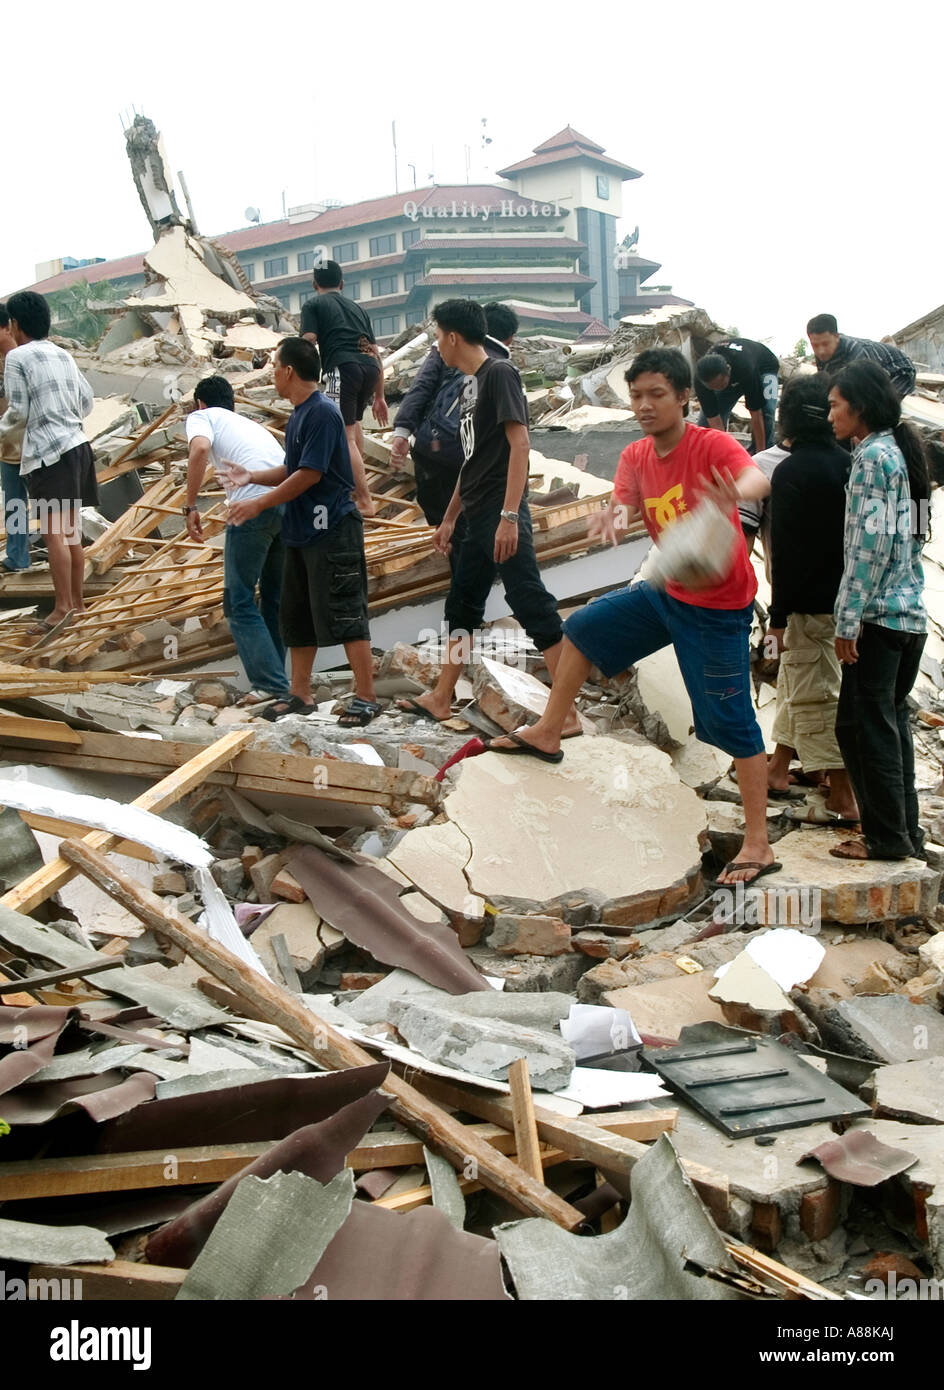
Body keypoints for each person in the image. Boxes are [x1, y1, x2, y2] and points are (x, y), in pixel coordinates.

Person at [489, 346, 776, 886]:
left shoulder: (711, 443)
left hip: (717, 609)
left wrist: (730, 493)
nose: (644, 405)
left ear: (685, 397)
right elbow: (622, 504)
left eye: (656, 395)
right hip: (666, 590)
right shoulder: (636, 456)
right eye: (637, 395)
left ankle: (757, 844)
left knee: (731, 723)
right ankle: (551, 730)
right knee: (583, 627)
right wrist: (611, 518)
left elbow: (758, 480)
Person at [396, 299, 576, 730]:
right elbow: (473, 459)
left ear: (453, 336)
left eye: (438, 337)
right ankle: (441, 696)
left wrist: (510, 516)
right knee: (462, 607)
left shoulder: (500, 373)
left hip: (500, 512)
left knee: (530, 602)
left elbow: (521, 446)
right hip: (476, 514)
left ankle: (567, 712)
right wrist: (451, 517)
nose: (437, 346)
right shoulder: (470, 384)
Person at [224, 337, 380, 727]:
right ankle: (300, 693)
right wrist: (253, 477)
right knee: (297, 616)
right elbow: (294, 468)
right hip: (300, 530)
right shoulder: (299, 415)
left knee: (346, 612)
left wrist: (259, 502)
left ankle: (366, 696)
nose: (272, 373)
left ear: (289, 371)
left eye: (275, 366)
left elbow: (310, 475)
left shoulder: (323, 413)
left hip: (332, 528)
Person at [827, 360, 929, 861]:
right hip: (908, 615)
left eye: (835, 405)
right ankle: (904, 833)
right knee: (883, 724)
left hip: (879, 618)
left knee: (868, 731)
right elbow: (910, 536)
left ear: (859, 407)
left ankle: (887, 839)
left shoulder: (871, 459)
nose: (829, 416)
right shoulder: (902, 454)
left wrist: (847, 621)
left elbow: (867, 547)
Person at [763, 374, 858, 824]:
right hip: (849, 604)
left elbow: (785, 551)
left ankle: (843, 795)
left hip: (809, 607)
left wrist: (777, 617)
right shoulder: (851, 464)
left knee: (818, 698)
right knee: (797, 686)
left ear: (790, 420)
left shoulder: (790, 471)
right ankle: (778, 769)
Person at [185, 375, 290, 706]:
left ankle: (270, 683)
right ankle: (279, 683)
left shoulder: (202, 417)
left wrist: (190, 505)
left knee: (239, 600)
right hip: (286, 502)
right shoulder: (247, 424)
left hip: (251, 505)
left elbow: (200, 447)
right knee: (273, 599)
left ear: (200, 403)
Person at [0, 291, 96, 631]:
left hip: (47, 454)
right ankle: (79, 605)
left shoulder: (17, 358)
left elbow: (19, 411)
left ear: (14, 324)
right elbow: (87, 402)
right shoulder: (63, 354)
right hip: (78, 447)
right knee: (71, 533)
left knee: (54, 535)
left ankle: (61, 609)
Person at [390, 301, 518, 534]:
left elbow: (421, 387)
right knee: (466, 533)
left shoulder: (447, 350)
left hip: (429, 453)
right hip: (469, 467)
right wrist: (511, 515)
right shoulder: (502, 368)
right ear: (510, 338)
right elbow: (517, 442)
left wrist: (401, 432)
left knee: (451, 533)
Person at [300, 260, 388, 517]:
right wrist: (380, 395)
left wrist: (304, 377)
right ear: (341, 284)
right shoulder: (358, 309)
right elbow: (375, 351)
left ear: (314, 284)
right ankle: (354, 486)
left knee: (344, 435)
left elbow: (308, 341)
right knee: (353, 424)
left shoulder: (313, 304)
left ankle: (364, 499)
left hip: (342, 368)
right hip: (370, 369)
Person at [695, 337, 780, 455]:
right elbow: (713, 420)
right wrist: (726, 453)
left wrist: (760, 456)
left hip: (764, 366)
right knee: (705, 425)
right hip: (734, 375)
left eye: (720, 384)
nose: (717, 388)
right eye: (712, 387)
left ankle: (764, 453)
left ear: (728, 371)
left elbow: (756, 413)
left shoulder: (745, 367)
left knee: (766, 412)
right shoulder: (701, 380)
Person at [807, 314, 916, 400]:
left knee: (877, 407)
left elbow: (861, 389)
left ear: (836, 336)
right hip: (874, 372)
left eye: (825, 344)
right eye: (815, 345)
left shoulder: (856, 352)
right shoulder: (821, 355)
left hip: (900, 371)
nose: (821, 351)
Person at [0, 305, 30, 572]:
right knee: (14, 506)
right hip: (8, 446)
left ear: (7, 327)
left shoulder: (25, 358)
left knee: (54, 508)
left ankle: (66, 556)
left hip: (38, 445)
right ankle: (17, 557)